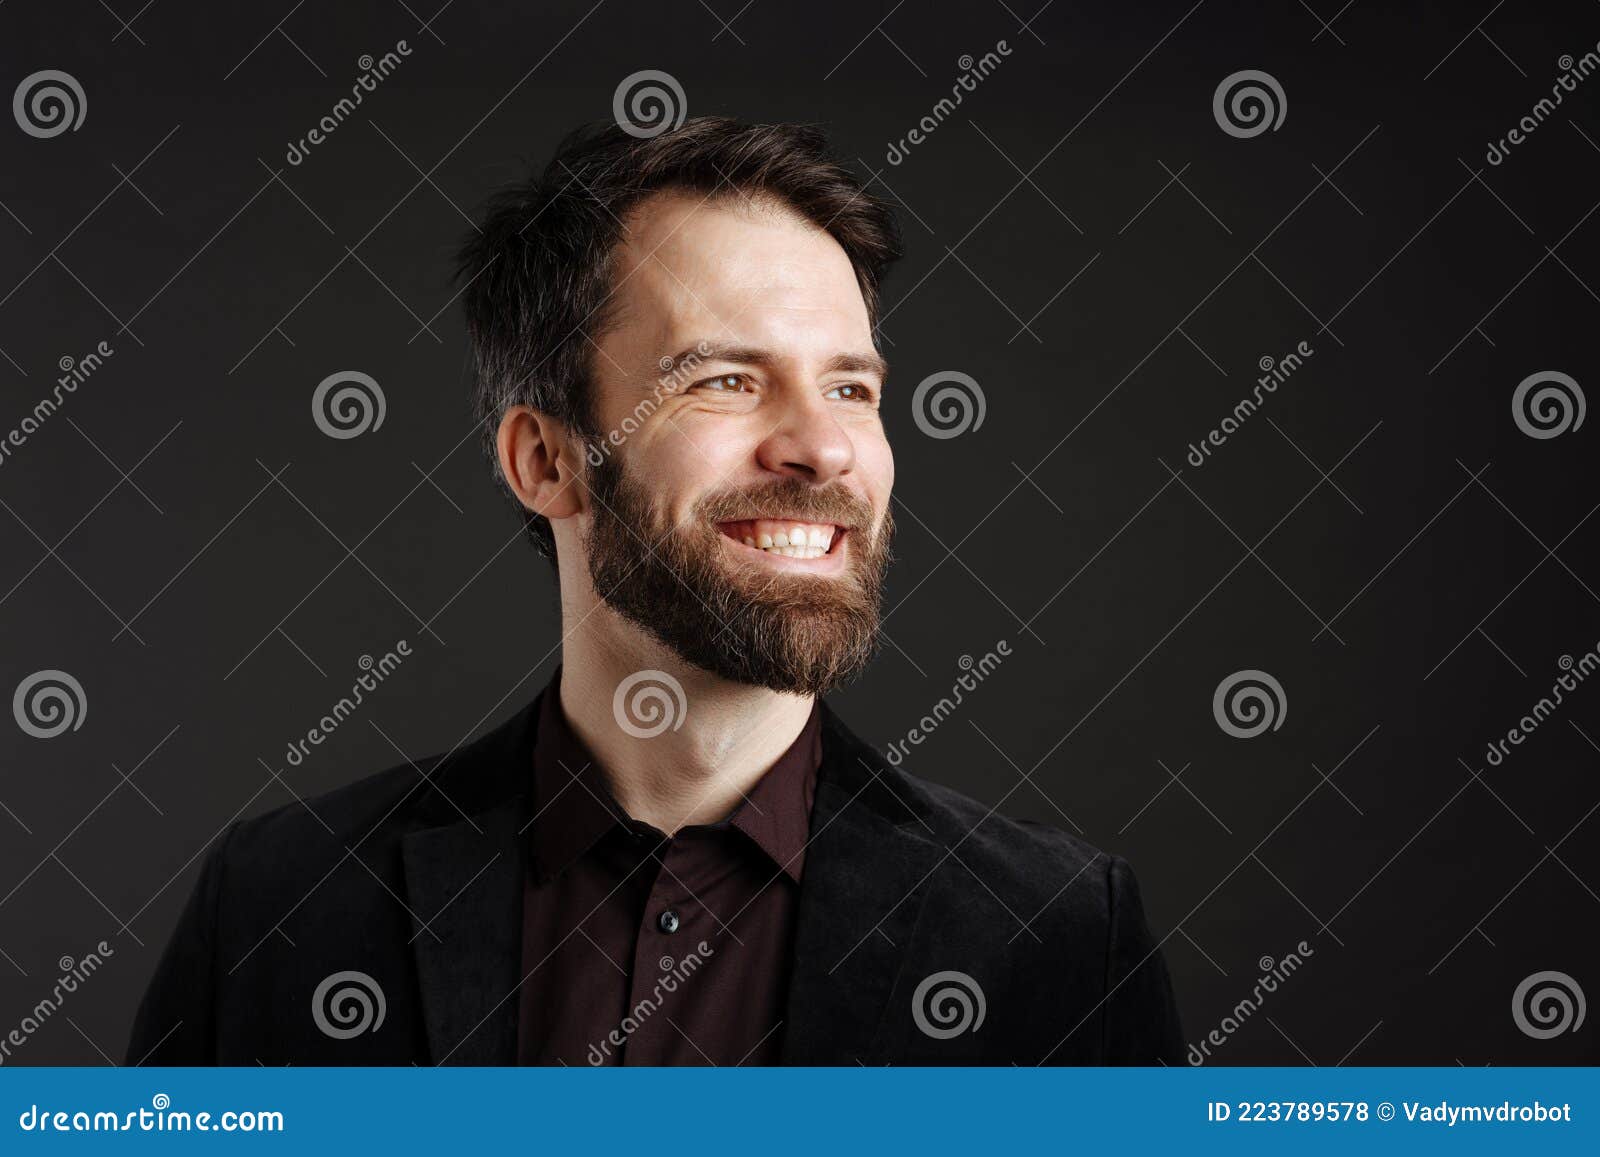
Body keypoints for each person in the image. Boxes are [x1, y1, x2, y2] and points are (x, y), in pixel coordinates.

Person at [127, 117, 1181, 1065]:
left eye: (851, 387)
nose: (822, 447)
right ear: (547, 460)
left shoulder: (1055, 935)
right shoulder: (279, 905)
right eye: (726, 380)